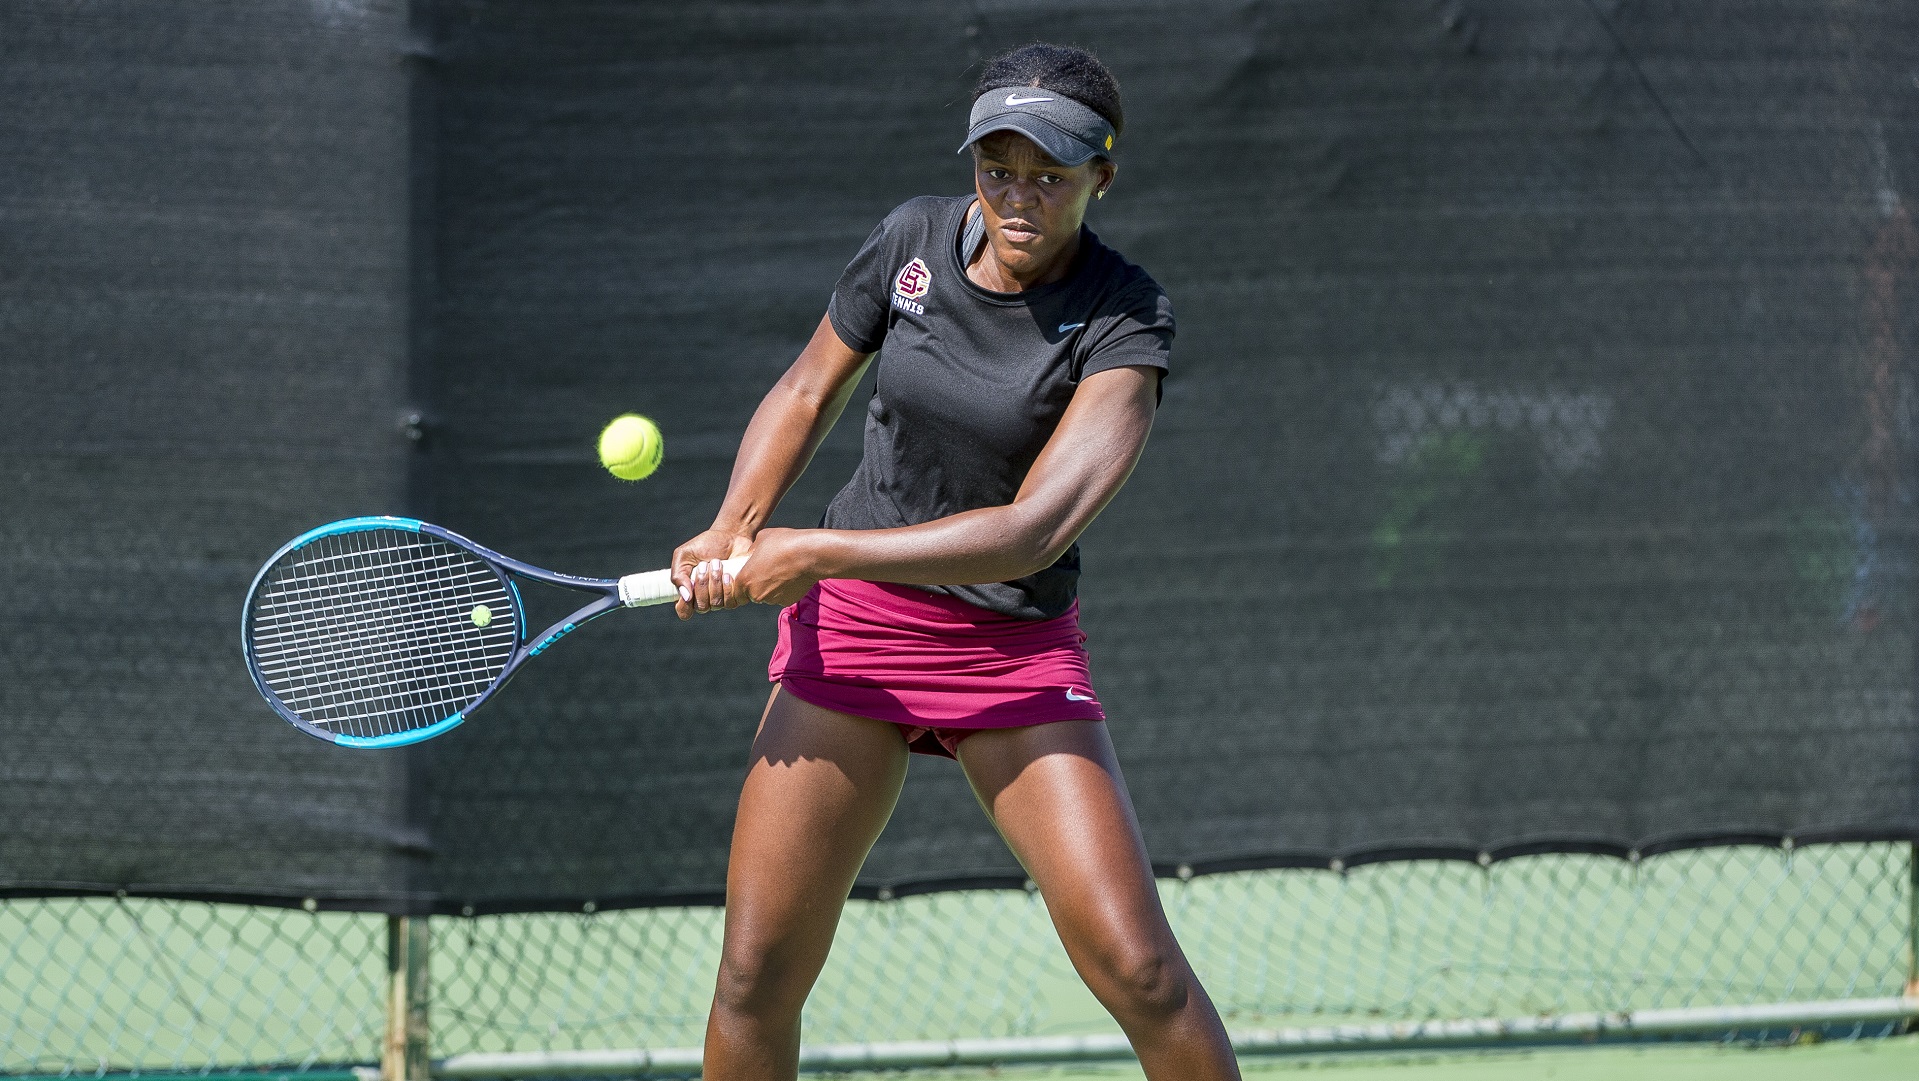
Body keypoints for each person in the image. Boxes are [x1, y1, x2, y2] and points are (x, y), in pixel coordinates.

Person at [670, 43, 1242, 1081]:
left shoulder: (1125, 317)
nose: (1018, 194)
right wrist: (733, 524)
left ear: (1101, 177)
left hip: (1006, 649)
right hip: (850, 639)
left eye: (1050, 173)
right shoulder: (911, 240)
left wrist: (813, 549)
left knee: (1142, 970)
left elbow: (1034, 530)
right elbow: (806, 390)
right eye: (997, 167)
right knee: (755, 973)